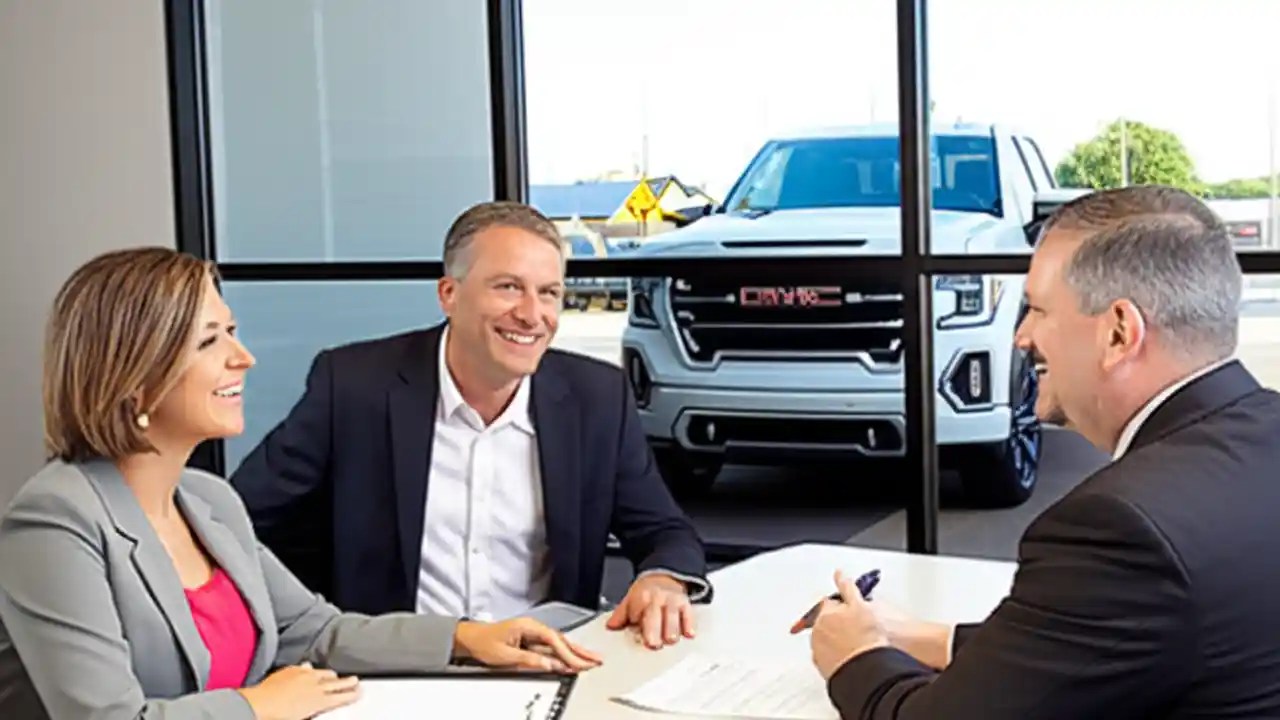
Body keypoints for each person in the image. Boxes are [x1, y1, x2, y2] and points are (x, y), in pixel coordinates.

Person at [0, 248, 601, 720]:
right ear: (136, 379)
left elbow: (316, 630)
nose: (244, 358)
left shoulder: (209, 502)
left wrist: (469, 638)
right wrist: (261, 707)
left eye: (231, 330)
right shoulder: (55, 521)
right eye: (210, 341)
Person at [807, 185, 1280, 718]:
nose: (1021, 337)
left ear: (1119, 333)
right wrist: (924, 636)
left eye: (1036, 309)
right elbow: (1121, 637)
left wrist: (856, 657)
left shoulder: (1121, 528)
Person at [229, 201, 711, 650]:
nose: (531, 314)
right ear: (449, 294)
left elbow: (664, 530)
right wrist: (304, 625)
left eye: (549, 293)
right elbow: (238, 521)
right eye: (508, 287)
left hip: (544, 663)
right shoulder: (354, 387)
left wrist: (662, 578)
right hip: (399, 670)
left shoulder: (596, 397)